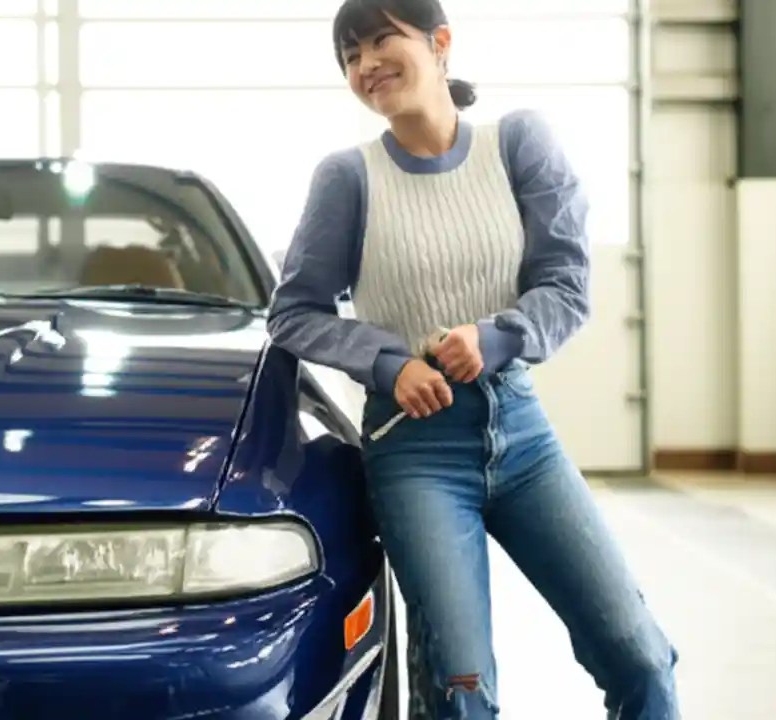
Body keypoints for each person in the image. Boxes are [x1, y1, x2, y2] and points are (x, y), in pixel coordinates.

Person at [266, 0, 681, 717]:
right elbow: (294, 314)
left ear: (440, 44)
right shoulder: (348, 178)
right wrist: (390, 363)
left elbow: (567, 285)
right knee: (462, 688)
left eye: (379, 42)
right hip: (414, 452)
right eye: (349, 56)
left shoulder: (518, 144)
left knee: (639, 653)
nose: (365, 65)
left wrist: (495, 338)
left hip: (521, 436)